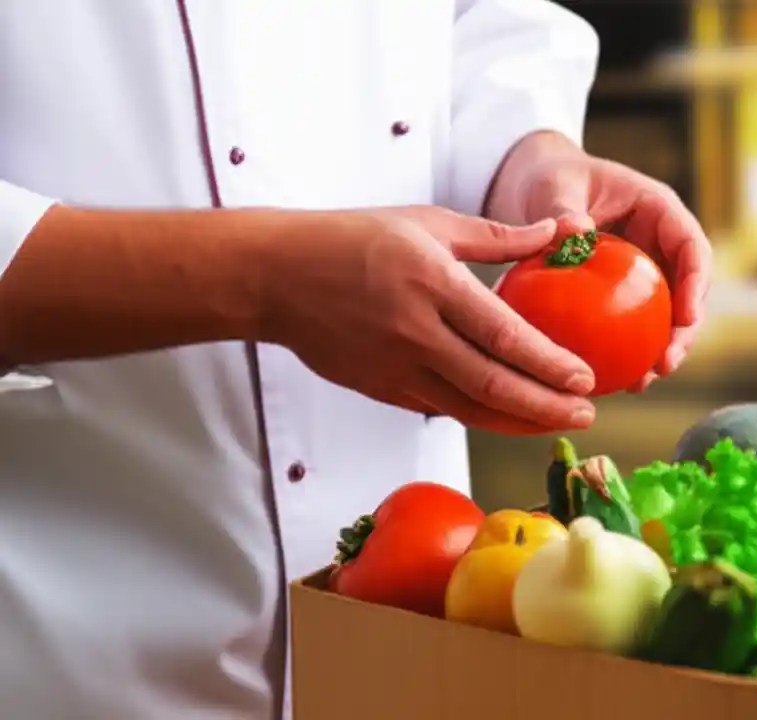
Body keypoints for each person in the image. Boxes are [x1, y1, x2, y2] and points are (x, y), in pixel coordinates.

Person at [0, 2, 710, 718]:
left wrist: (526, 162)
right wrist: (265, 282)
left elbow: (473, 16)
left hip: (416, 621)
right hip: (64, 646)